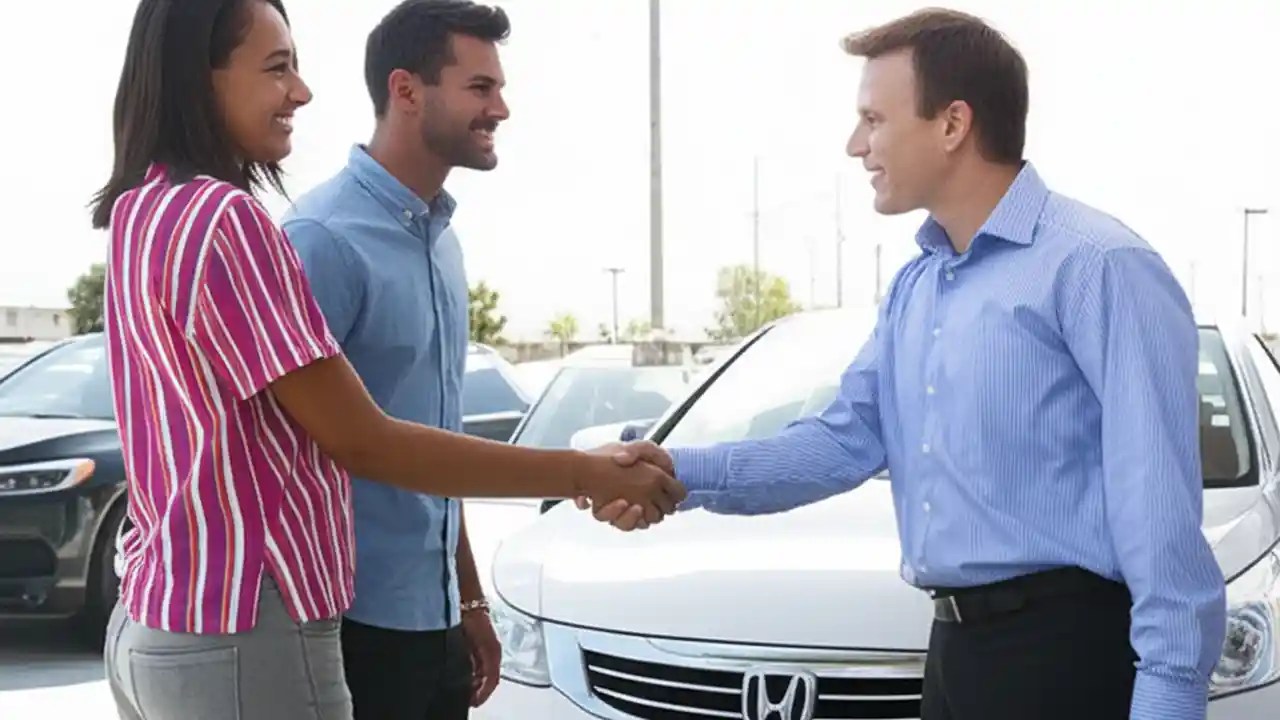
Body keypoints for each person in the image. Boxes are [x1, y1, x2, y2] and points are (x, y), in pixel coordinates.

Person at [588, 8, 1226, 720]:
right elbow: (840, 442)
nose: (855, 145)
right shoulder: (917, 286)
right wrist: (672, 472)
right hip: (953, 657)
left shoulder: (1097, 265)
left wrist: (1171, 696)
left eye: (873, 119)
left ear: (953, 124)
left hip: (1065, 657)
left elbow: (1158, 510)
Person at [90, 2, 683, 719]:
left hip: (168, 616)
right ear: (199, 76)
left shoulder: (145, 210)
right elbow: (365, 440)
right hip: (251, 624)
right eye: (277, 69)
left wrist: (466, 597)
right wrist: (583, 473)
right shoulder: (239, 222)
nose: (301, 92)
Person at [280, 2, 510, 717]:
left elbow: (436, 442)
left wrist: (467, 599)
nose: (500, 108)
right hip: (346, 626)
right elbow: (290, 450)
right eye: (480, 88)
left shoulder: (444, 242)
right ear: (406, 90)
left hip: (435, 624)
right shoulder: (321, 238)